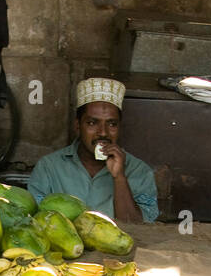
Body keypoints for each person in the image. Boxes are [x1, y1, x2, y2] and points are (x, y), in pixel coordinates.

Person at [29, 77, 159, 223]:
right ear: (78, 125)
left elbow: (139, 229)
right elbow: (34, 222)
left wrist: (119, 177)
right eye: (92, 123)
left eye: (112, 124)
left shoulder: (140, 171)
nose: (103, 133)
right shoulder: (49, 168)